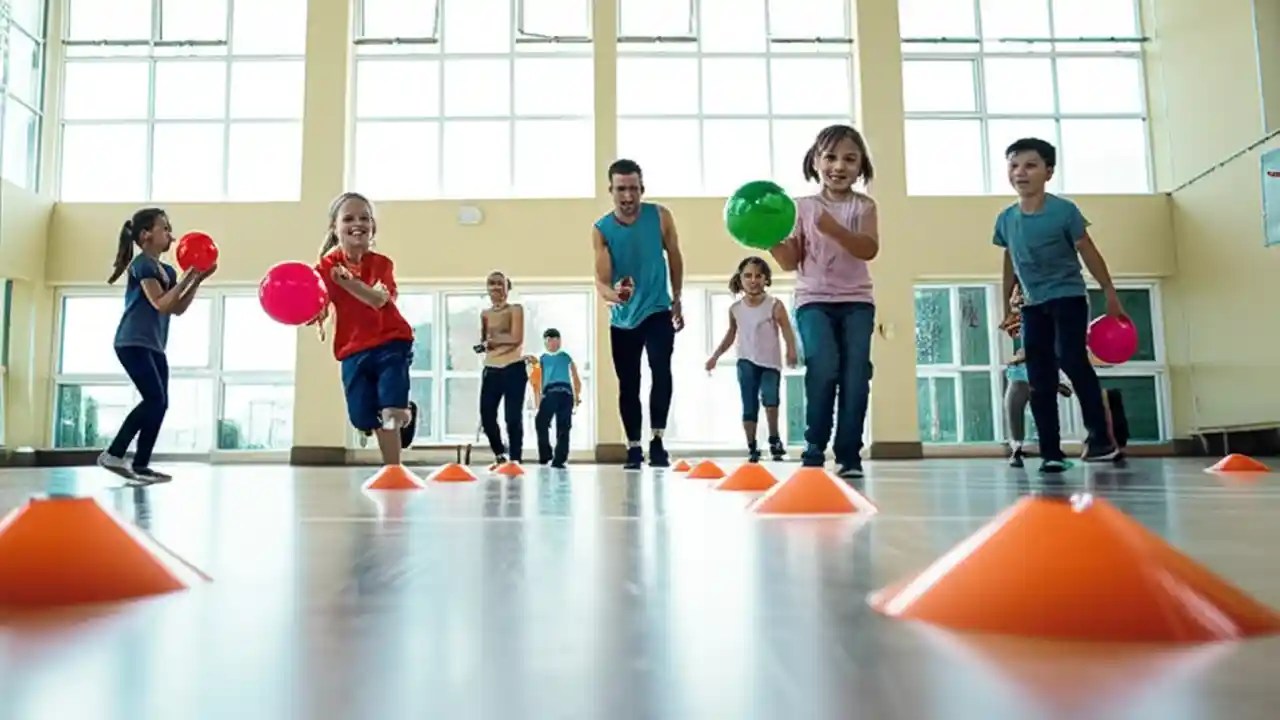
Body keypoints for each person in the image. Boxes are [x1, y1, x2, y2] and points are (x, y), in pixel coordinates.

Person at [995, 137, 1127, 473]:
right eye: (1014, 166)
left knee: (1072, 359)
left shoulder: (1064, 211)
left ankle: (1100, 439)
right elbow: (1010, 259)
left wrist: (1109, 291)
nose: (1020, 172)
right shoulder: (1006, 219)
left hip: (1067, 297)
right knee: (1039, 376)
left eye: (1030, 165)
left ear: (1048, 171)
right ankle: (1051, 452)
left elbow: (1088, 250)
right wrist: (1007, 303)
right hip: (1032, 305)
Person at [769, 124, 879, 479]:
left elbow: (869, 248)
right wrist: (768, 240)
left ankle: (849, 453)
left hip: (857, 301)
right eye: (830, 157)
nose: (839, 166)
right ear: (815, 162)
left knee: (855, 375)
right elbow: (790, 260)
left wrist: (834, 229)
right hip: (813, 300)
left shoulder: (864, 206)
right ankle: (815, 445)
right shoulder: (801, 207)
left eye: (850, 159)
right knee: (823, 367)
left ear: (861, 166)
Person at [98, 208, 214, 484]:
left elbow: (175, 308)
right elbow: (159, 302)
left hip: (154, 345)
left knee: (160, 404)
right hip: (131, 341)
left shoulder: (169, 270)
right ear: (145, 235)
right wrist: (188, 277)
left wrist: (196, 279)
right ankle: (113, 454)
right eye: (165, 228)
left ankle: (141, 466)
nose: (171, 234)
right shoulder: (142, 264)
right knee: (155, 399)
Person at [311, 192, 417, 466]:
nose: (357, 223)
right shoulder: (323, 269)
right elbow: (316, 306)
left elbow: (379, 299)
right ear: (335, 228)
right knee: (363, 418)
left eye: (364, 218)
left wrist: (347, 283)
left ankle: (394, 468)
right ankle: (402, 415)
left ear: (372, 228)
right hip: (352, 350)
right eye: (348, 218)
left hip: (391, 342)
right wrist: (314, 313)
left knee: (390, 411)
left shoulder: (382, 264)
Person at [593, 159, 685, 470]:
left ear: (642, 189)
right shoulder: (601, 229)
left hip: (658, 308)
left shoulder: (660, 217)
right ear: (611, 191)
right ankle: (633, 446)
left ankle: (657, 440)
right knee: (628, 382)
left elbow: (674, 254)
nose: (628, 196)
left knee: (661, 369)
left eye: (633, 188)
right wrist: (615, 296)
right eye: (621, 189)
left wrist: (678, 298)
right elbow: (601, 283)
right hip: (623, 319)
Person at [705, 256, 798, 462]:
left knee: (770, 399)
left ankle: (774, 439)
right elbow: (731, 334)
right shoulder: (736, 309)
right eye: (748, 276)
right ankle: (752, 445)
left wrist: (791, 350)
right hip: (746, 361)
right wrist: (715, 356)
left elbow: (786, 329)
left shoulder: (774, 305)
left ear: (766, 279)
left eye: (758, 276)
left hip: (770, 362)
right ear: (740, 279)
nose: (753, 280)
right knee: (749, 404)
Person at [477, 271, 528, 465]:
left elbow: (516, 338)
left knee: (512, 417)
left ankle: (516, 458)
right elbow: (484, 342)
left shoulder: (515, 309)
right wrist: (489, 343)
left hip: (513, 367)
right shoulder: (485, 314)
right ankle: (499, 453)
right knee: (487, 415)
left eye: (500, 283)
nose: (496, 287)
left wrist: (494, 341)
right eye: (492, 283)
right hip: (491, 368)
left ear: (508, 288)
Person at [529, 328, 582, 468]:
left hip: (563, 393)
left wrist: (577, 396)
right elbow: (537, 382)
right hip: (552, 393)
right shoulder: (542, 360)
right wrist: (538, 401)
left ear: (559, 341)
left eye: (555, 340)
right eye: (549, 340)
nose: (552, 343)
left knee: (562, 426)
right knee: (545, 422)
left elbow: (575, 378)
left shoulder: (566, 358)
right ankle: (550, 455)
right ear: (546, 342)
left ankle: (556, 457)